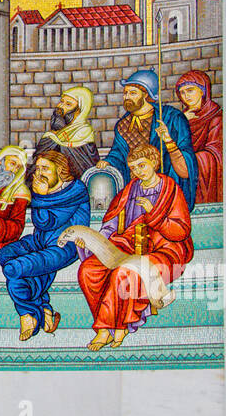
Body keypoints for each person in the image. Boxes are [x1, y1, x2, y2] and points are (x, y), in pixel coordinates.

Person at [61, 145, 193, 351]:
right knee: (88, 270)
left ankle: (112, 327)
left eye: (142, 165)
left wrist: (153, 213)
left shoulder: (170, 188)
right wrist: (94, 243)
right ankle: (107, 327)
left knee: (123, 274)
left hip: (162, 249)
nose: (139, 171)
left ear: (154, 163)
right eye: (134, 168)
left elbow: (180, 231)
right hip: (125, 247)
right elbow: (112, 223)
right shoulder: (131, 189)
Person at [0, 150, 90, 341]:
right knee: (5, 255)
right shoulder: (45, 190)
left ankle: (28, 314)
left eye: (45, 169)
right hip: (40, 241)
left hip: (64, 246)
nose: (39, 174)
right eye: (37, 168)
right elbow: (39, 223)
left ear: (61, 171)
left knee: (14, 268)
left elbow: (49, 222)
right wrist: (40, 196)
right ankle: (44, 308)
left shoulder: (75, 190)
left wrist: (40, 196)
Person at [93, 69, 198, 209]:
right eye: (125, 93)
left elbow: (186, 160)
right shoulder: (122, 125)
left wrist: (168, 141)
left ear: (146, 94)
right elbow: (118, 153)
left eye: (132, 93)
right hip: (137, 188)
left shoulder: (171, 118)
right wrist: (108, 161)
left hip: (164, 187)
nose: (126, 97)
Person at [33, 86, 100, 179]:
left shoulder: (83, 132)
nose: (60, 107)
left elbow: (83, 166)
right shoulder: (55, 134)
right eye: (61, 101)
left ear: (80, 111)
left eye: (68, 104)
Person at [176, 69, 222, 204]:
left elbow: (215, 154)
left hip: (201, 176)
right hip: (182, 173)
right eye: (182, 92)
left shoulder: (216, 117)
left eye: (190, 90)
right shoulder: (182, 117)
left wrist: (187, 161)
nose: (186, 96)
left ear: (202, 91)